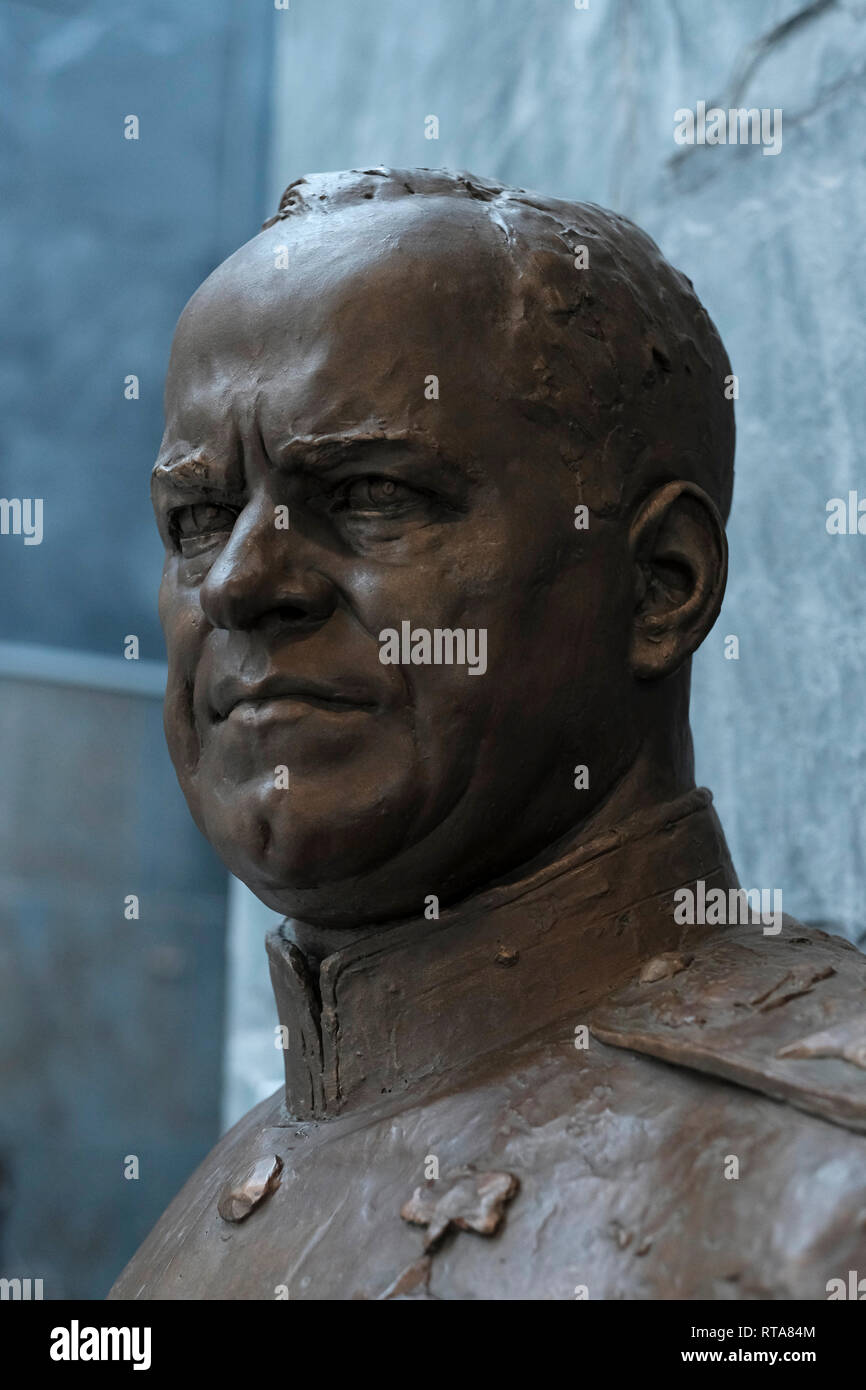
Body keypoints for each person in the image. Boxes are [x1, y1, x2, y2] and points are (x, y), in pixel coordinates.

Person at [110, 168, 866, 1301]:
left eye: (369, 493)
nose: (239, 583)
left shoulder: (821, 1183)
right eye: (199, 516)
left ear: (660, 584)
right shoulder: (201, 1214)